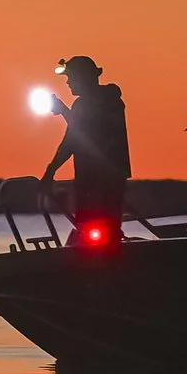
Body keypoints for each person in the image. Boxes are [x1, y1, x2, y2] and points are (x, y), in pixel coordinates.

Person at [41, 54, 131, 245]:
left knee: (98, 227)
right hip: (100, 176)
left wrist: (51, 170)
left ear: (83, 77)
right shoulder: (103, 102)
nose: (68, 83)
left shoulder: (95, 103)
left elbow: (75, 138)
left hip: (97, 178)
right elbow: (82, 132)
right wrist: (66, 111)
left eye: (71, 78)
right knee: (102, 228)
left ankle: (100, 265)